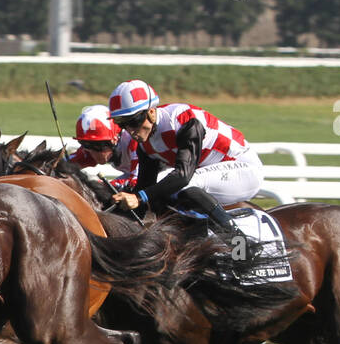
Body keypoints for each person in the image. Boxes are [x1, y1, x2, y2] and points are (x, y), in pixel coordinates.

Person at [105, 79, 263, 233]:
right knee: (161, 195)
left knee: (186, 186)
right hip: (212, 176)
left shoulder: (184, 120)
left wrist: (138, 198)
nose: (130, 131)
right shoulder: (144, 144)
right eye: (122, 124)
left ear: (151, 112)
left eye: (133, 122)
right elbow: (145, 188)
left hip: (244, 169)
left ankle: (241, 243)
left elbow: (183, 176)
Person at [67, 104, 139, 191]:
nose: (93, 153)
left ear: (115, 139)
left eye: (98, 145)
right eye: (86, 144)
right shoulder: (90, 150)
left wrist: (99, 185)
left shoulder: (133, 142)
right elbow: (63, 165)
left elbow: (139, 180)